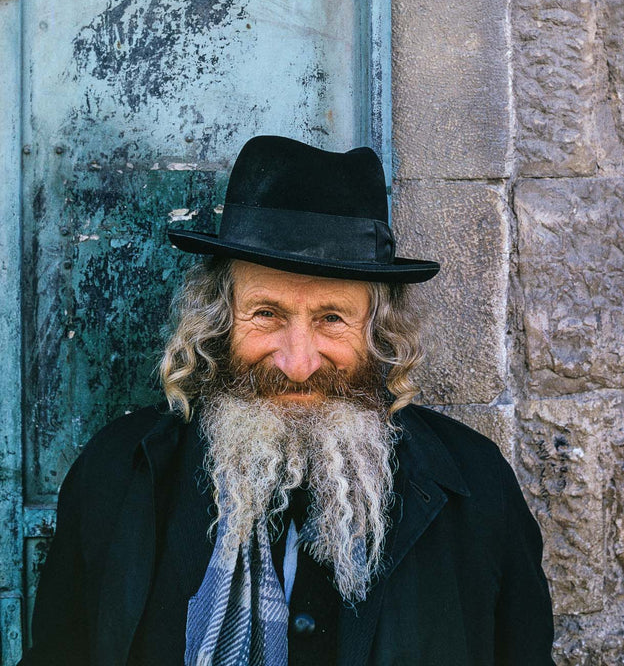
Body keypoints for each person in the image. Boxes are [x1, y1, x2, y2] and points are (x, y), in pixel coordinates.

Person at [23, 135, 555, 666]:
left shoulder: (476, 490)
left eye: (331, 318)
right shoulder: (116, 476)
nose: (297, 363)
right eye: (266, 314)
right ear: (218, 319)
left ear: (379, 330)